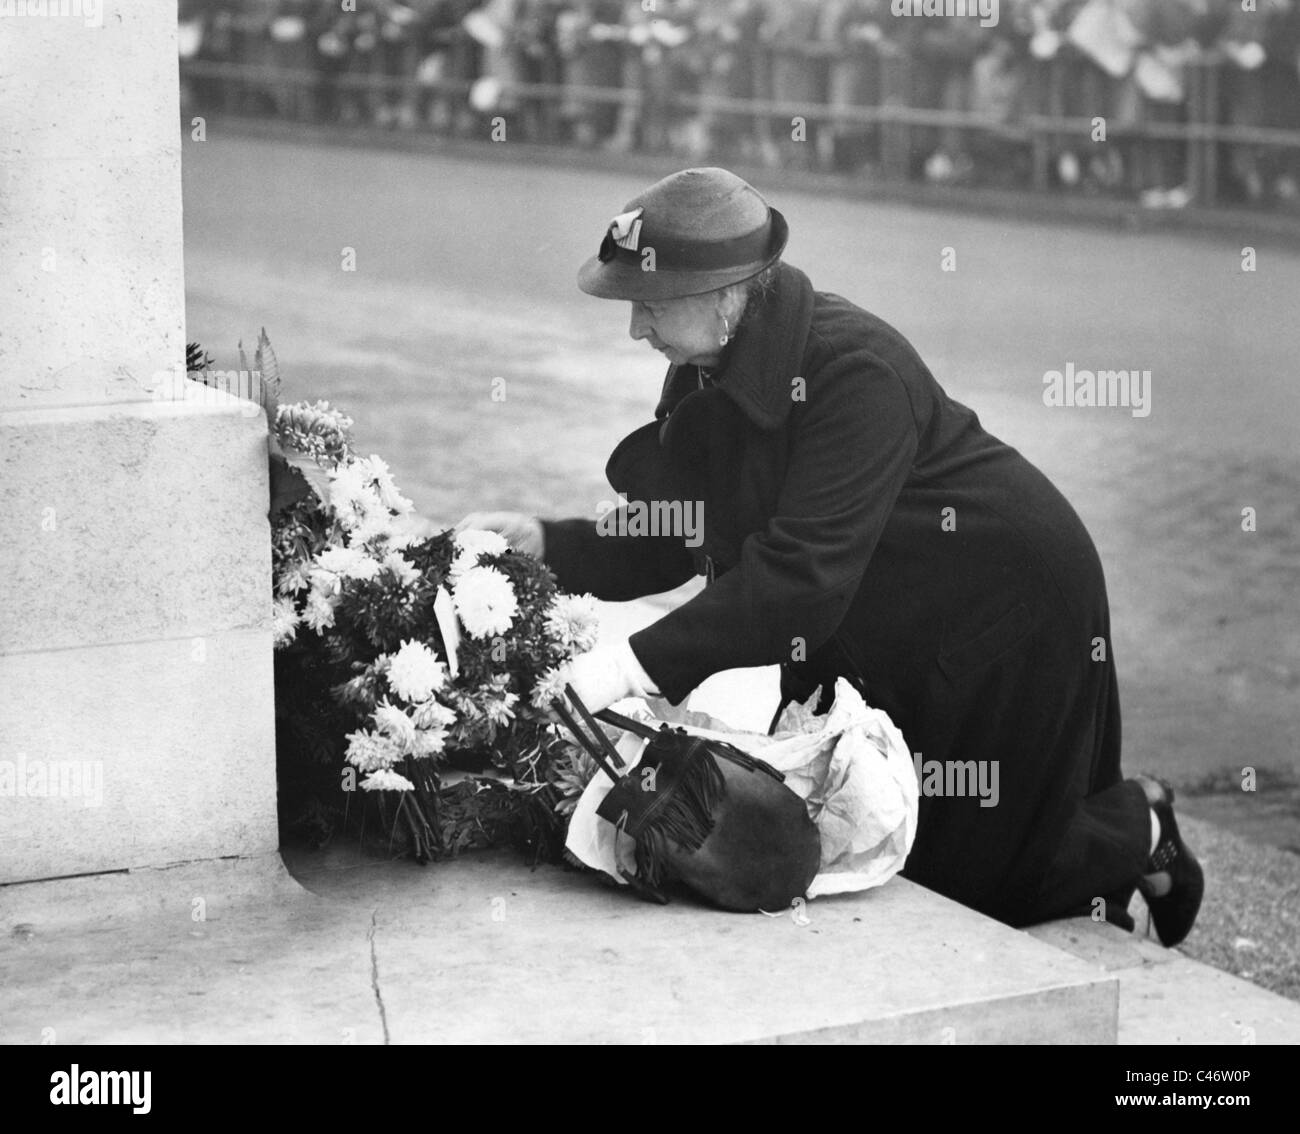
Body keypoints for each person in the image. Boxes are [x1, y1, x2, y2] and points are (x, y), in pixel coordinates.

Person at [459, 167, 1203, 943]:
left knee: (988, 884)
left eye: (650, 303)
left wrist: (629, 666)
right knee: (885, 839)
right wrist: (550, 543)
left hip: (1008, 602)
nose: (636, 328)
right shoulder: (713, 359)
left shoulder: (856, 372)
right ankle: (1104, 835)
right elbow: (684, 529)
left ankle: (1143, 831)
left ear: (727, 289)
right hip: (884, 607)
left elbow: (799, 576)